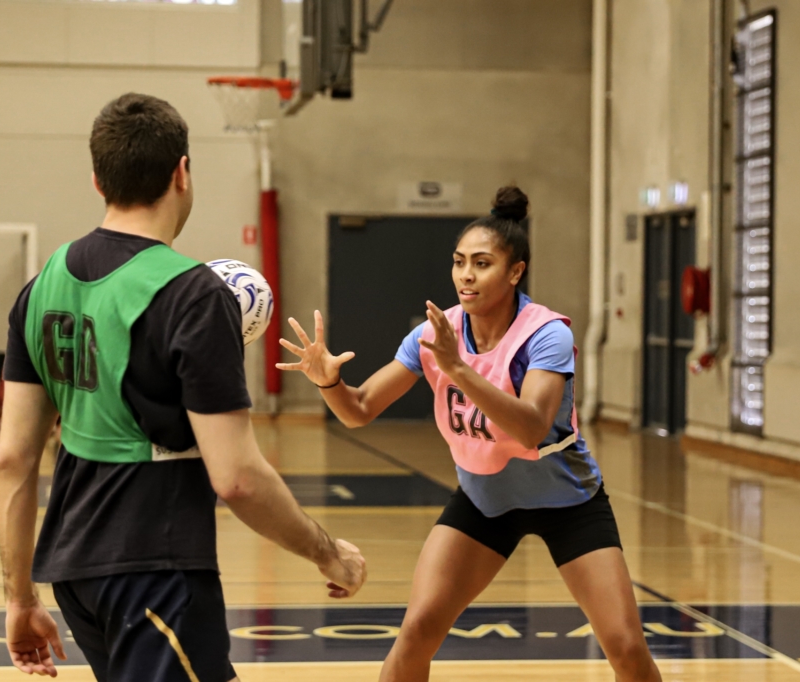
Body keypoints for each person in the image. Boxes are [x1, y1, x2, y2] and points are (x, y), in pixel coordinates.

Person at [0, 93, 365, 682]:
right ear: (182, 172)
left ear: (98, 180)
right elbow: (238, 479)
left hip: (75, 574)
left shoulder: (42, 286)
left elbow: (12, 461)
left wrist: (19, 597)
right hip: (154, 572)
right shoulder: (193, 295)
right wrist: (327, 552)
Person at [278, 187, 662, 682]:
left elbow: (531, 427)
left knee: (627, 648)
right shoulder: (435, 333)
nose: (465, 274)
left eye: (482, 264)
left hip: (568, 502)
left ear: (515, 272)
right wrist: (328, 382)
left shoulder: (547, 334)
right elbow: (359, 409)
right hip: (484, 502)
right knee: (417, 631)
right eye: (459, 262)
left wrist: (458, 368)